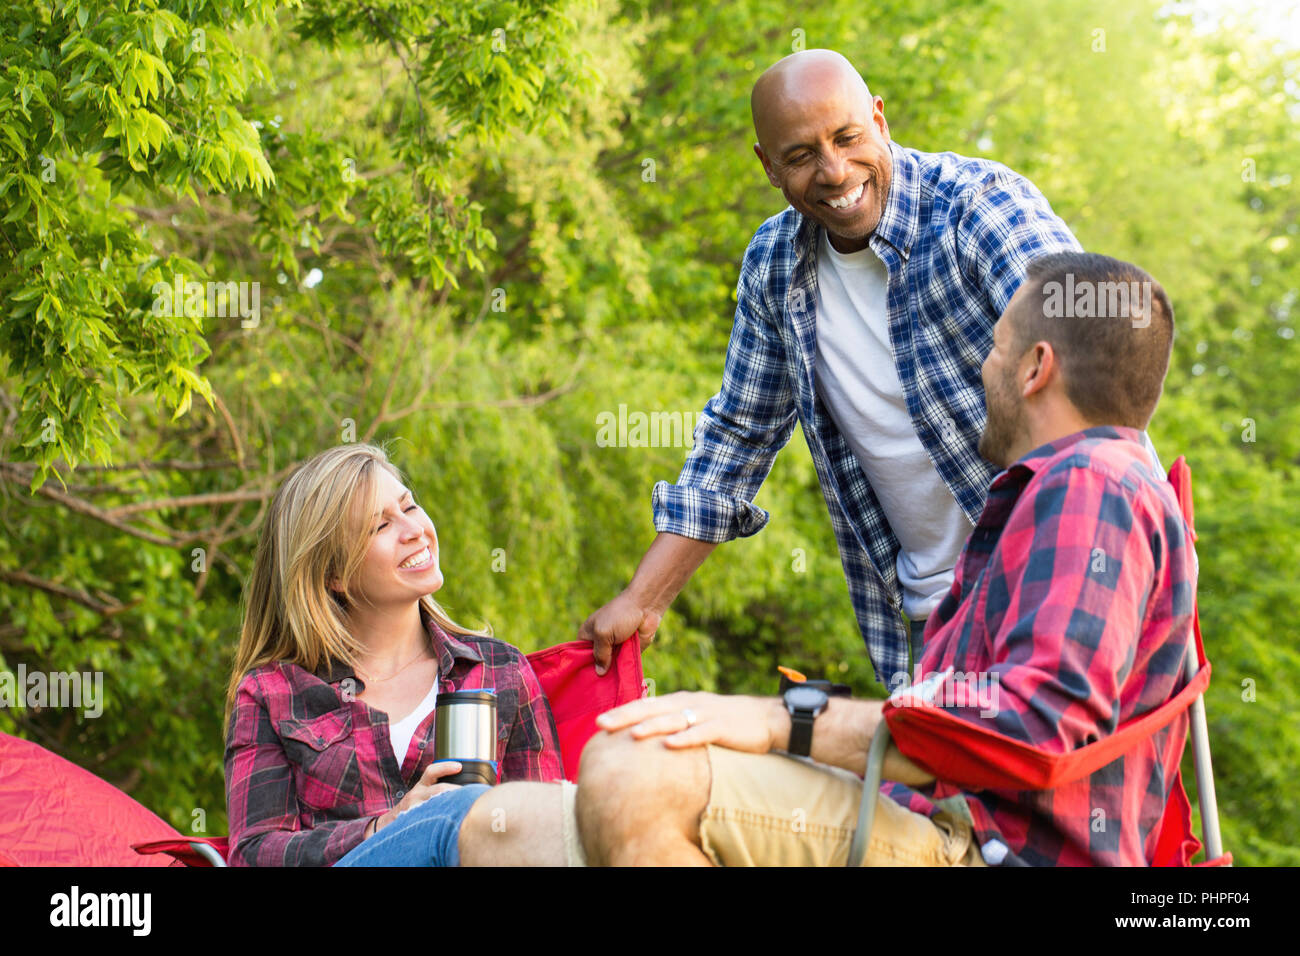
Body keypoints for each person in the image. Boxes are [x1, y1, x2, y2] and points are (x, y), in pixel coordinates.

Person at [570, 251, 1195, 866]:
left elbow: (1032, 723)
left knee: (634, 766)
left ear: (1036, 367)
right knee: (514, 827)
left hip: (987, 847)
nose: (984, 367)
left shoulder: (1091, 483)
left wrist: (783, 718)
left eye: (997, 347)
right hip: (936, 820)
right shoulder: (1070, 488)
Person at [579, 49, 1156, 686]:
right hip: (930, 618)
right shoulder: (776, 266)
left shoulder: (975, 208)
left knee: (1074, 781)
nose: (834, 171)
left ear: (879, 119)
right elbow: (739, 436)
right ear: (768, 167)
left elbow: (1091, 349)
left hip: (1064, 580)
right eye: (800, 157)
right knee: (929, 784)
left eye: (848, 138)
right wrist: (645, 598)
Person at [222, 443, 564, 867]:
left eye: (410, 506)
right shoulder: (271, 692)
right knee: (457, 810)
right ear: (334, 575)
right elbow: (253, 854)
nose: (414, 530)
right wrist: (388, 825)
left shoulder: (500, 671)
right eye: (381, 526)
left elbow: (549, 831)